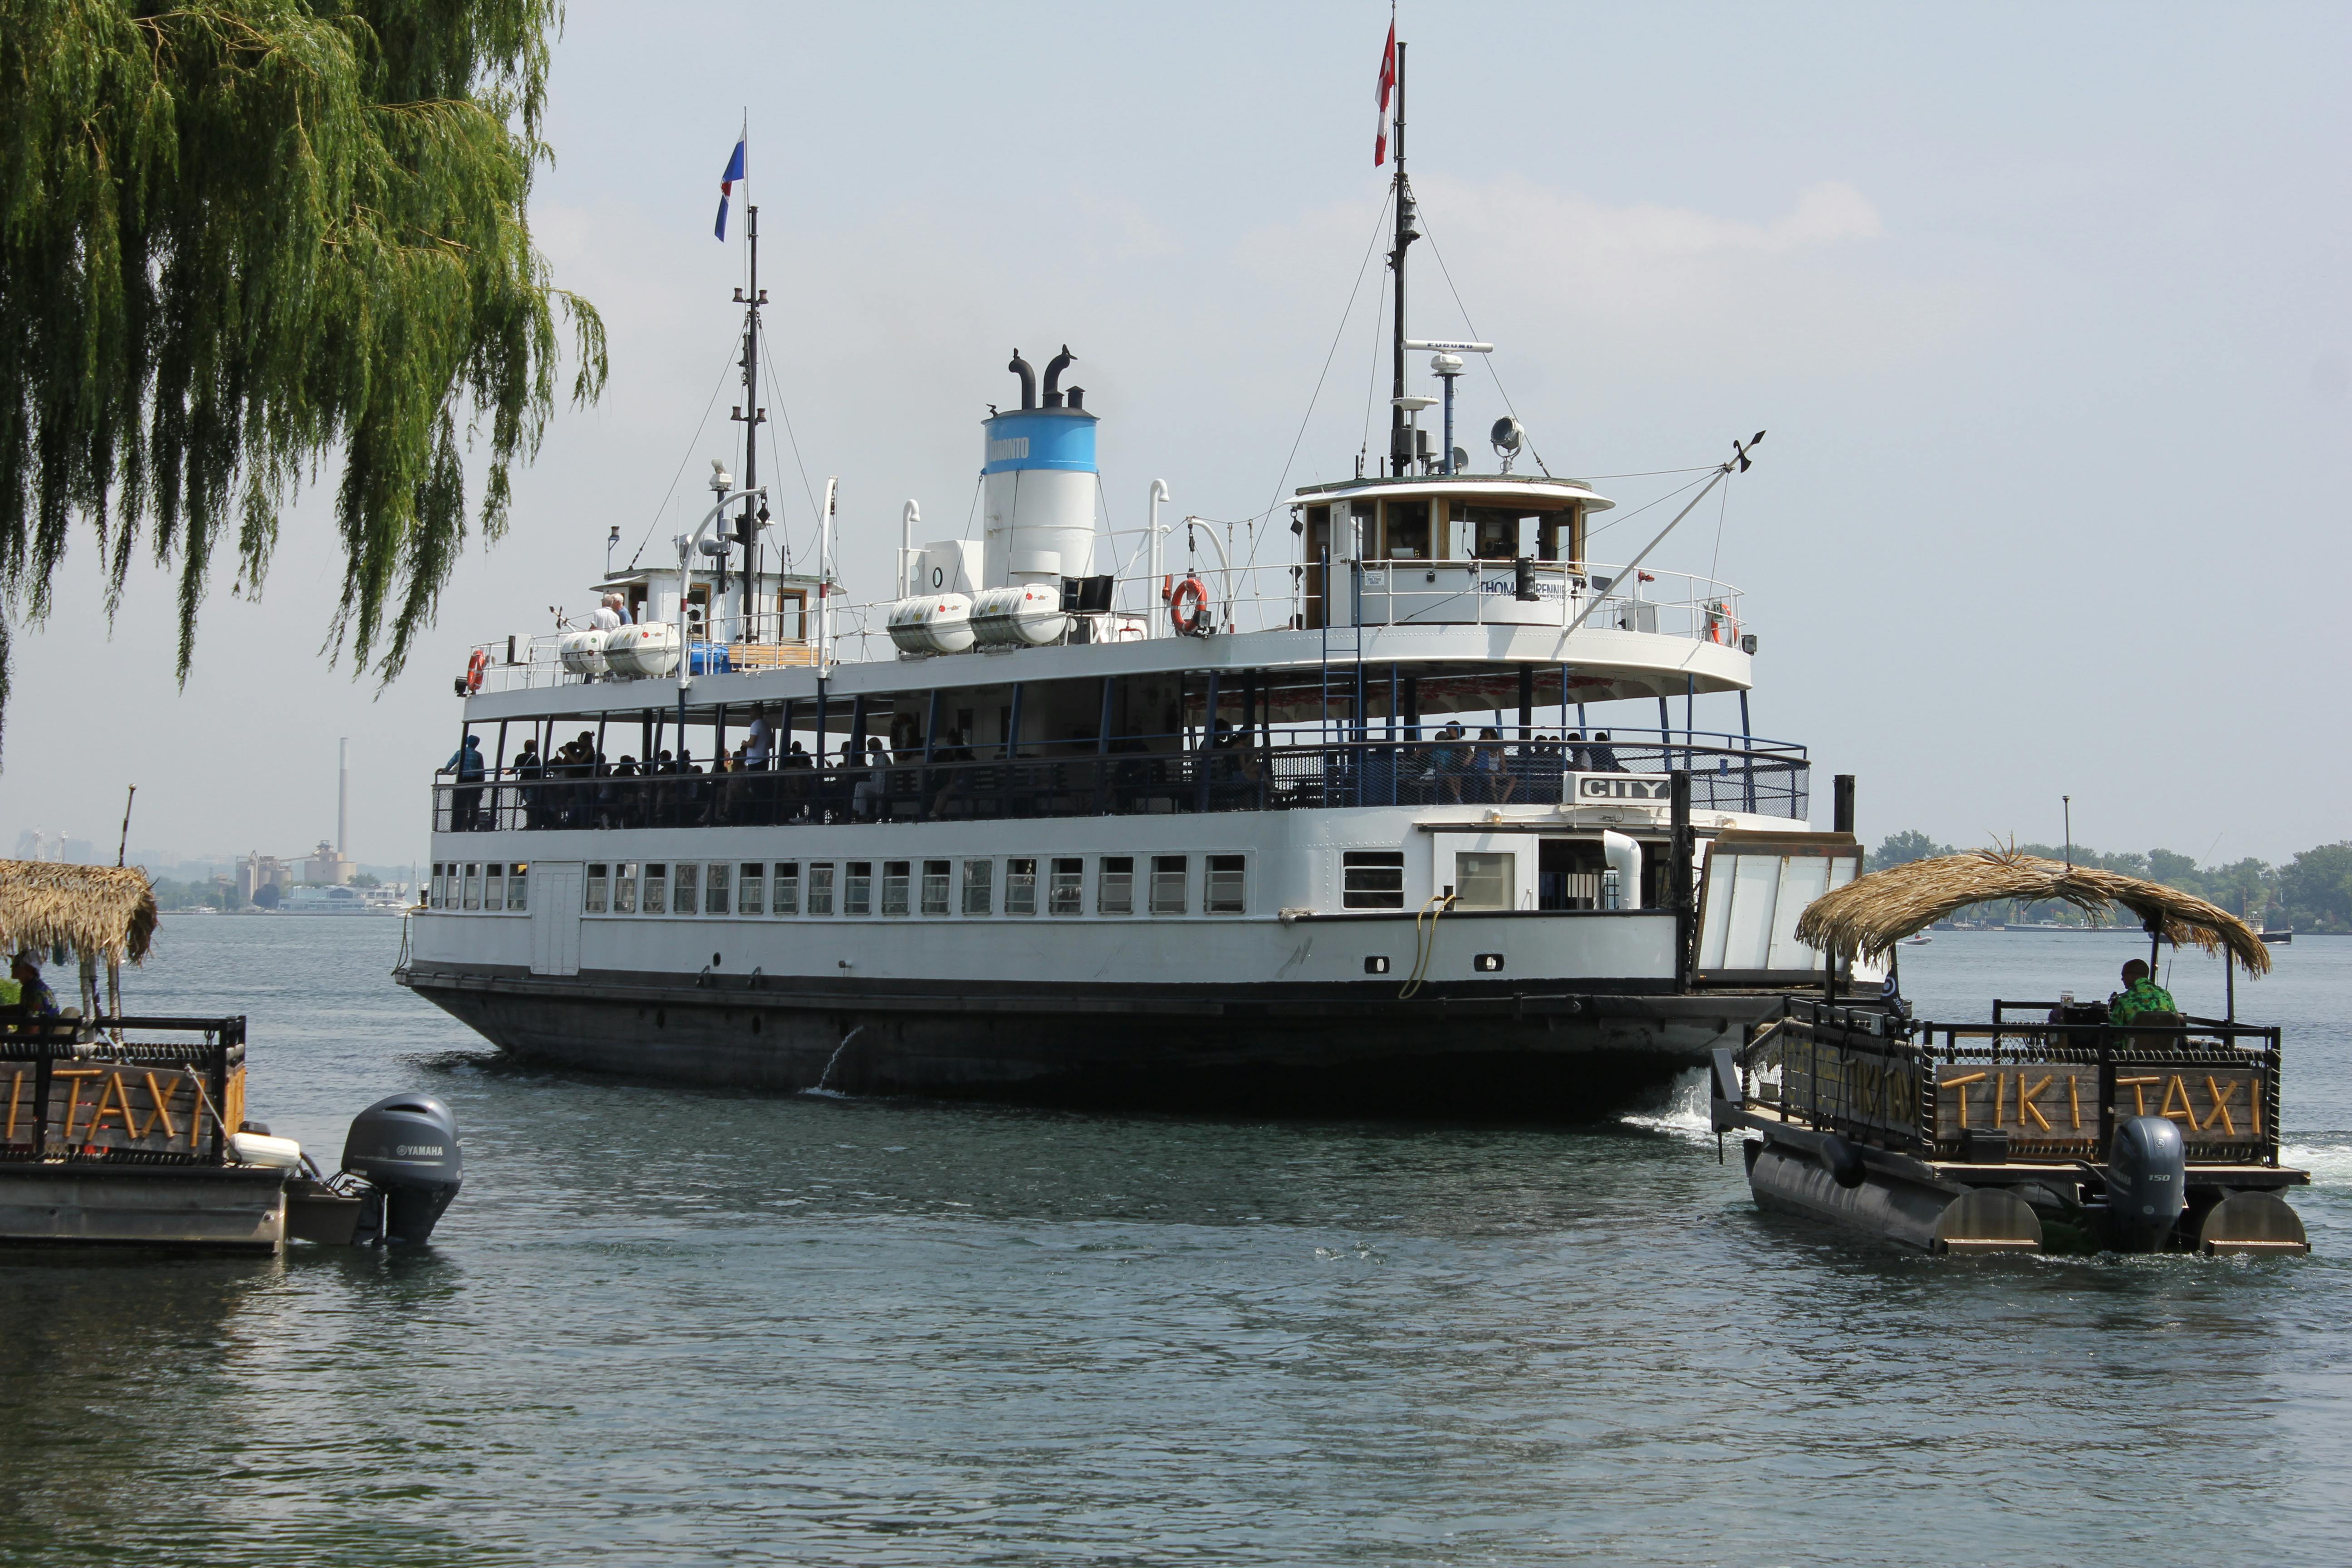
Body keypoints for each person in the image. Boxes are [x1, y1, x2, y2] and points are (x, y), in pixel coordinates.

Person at [2108, 958, 2178, 1026]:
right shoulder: (2165, 995)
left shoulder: (2125, 999)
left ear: (2133, 975)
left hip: (2134, 1038)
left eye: (2124, 975)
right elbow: (2175, 1019)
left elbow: (2115, 1029)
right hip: (2163, 1037)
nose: (2122, 979)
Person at [440, 734, 486, 830]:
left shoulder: (460, 753)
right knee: (474, 806)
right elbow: (481, 771)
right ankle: (472, 826)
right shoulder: (478, 755)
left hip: (462, 781)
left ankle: (458, 826)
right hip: (475, 782)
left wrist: (445, 770)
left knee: (460, 806)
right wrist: (481, 785)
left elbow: (451, 763)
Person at [1472, 726, 1516, 805]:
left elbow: (1503, 765)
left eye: (1486, 737)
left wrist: (1503, 772)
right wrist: (1494, 774)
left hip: (1498, 773)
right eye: (1483, 737)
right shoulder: (1480, 748)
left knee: (1513, 779)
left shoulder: (1499, 749)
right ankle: (1496, 801)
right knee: (1492, 778)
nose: (1484, 739)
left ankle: (1503, 802)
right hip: (1486, 773)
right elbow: (1484, 766)